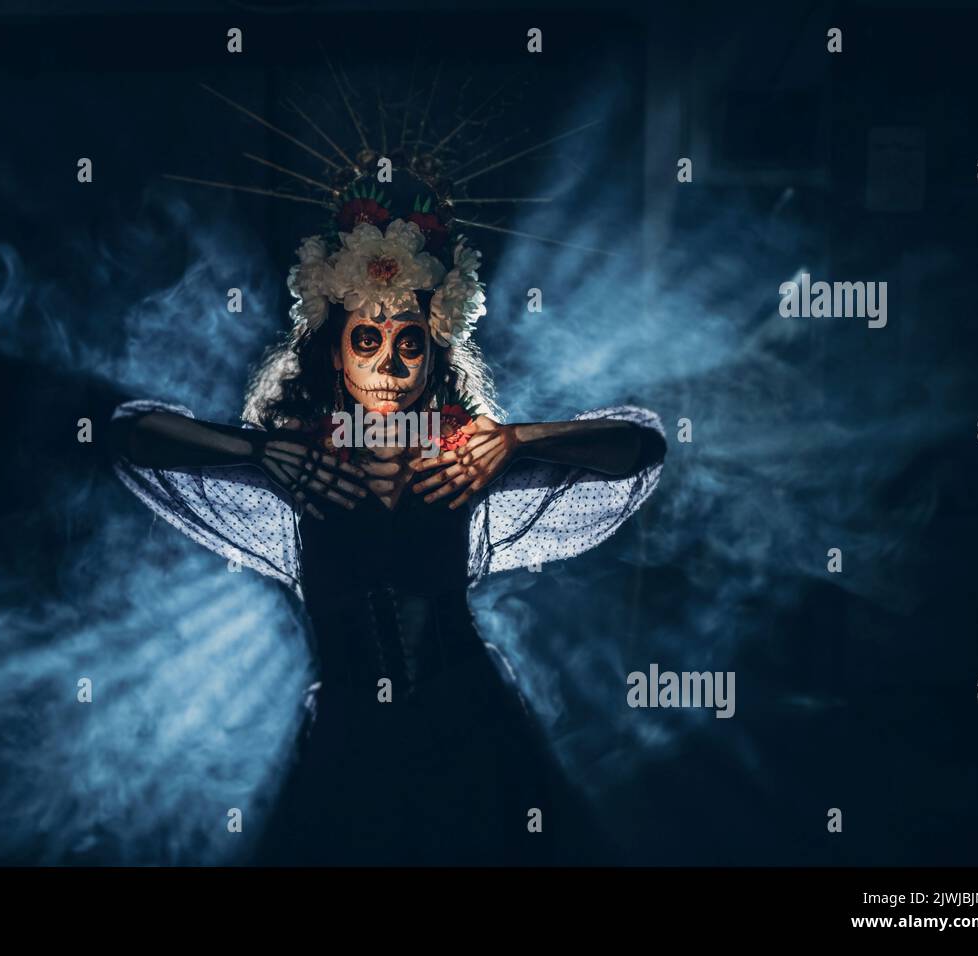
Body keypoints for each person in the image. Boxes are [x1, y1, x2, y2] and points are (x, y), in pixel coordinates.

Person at [108, 170, 665, 864]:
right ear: (335, 355)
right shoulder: (302, 466)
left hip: (468, 724)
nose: (391, 368)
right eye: (366, 341)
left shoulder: (462, 460)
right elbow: (132, 437)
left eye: (410, 344)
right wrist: (254, 448)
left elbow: (641, 448)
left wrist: (519, 438)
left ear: (435, 356)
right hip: (351, 736)